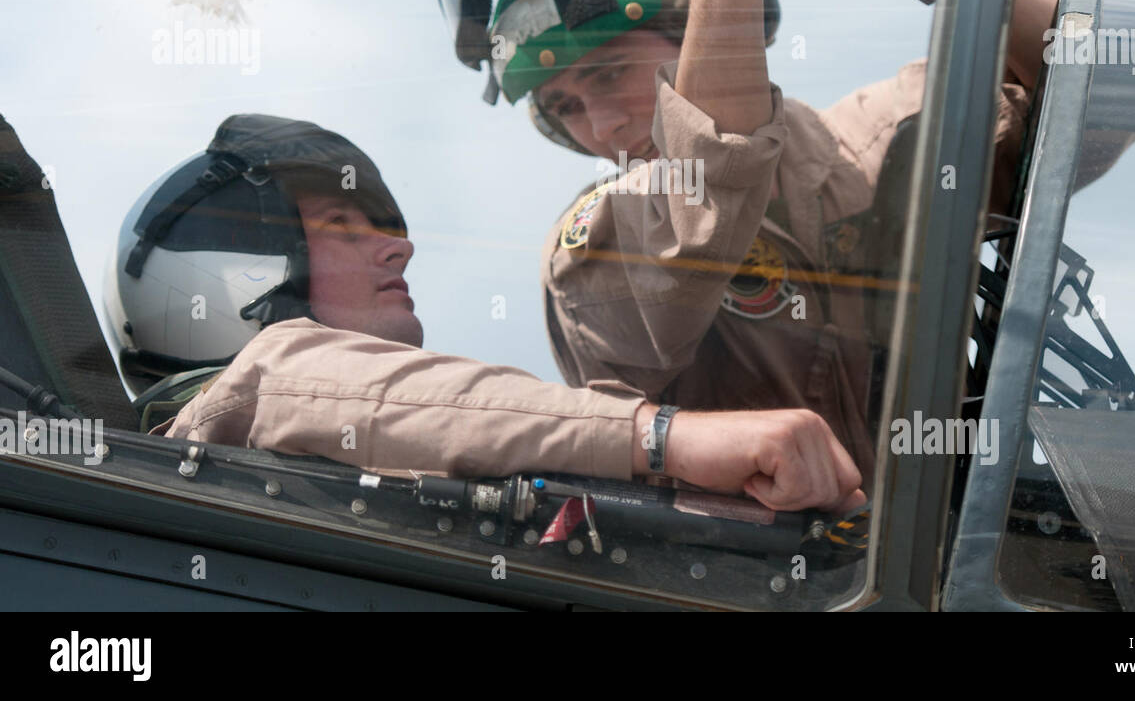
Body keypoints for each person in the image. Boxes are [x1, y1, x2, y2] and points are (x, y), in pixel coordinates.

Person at [436, 0, 1063, 485]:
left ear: (690, 30)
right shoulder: (594, 246)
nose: (600, 124)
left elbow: (1091, 92)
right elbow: (702, 192)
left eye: (609, 74)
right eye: (565, 108)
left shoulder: (872, 142)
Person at [105, 113, 865, 513]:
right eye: (343, 226)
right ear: (236, 273)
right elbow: (294, 377)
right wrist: (668, 437)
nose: (397, 251)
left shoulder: (326, 474)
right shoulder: (236, 404)